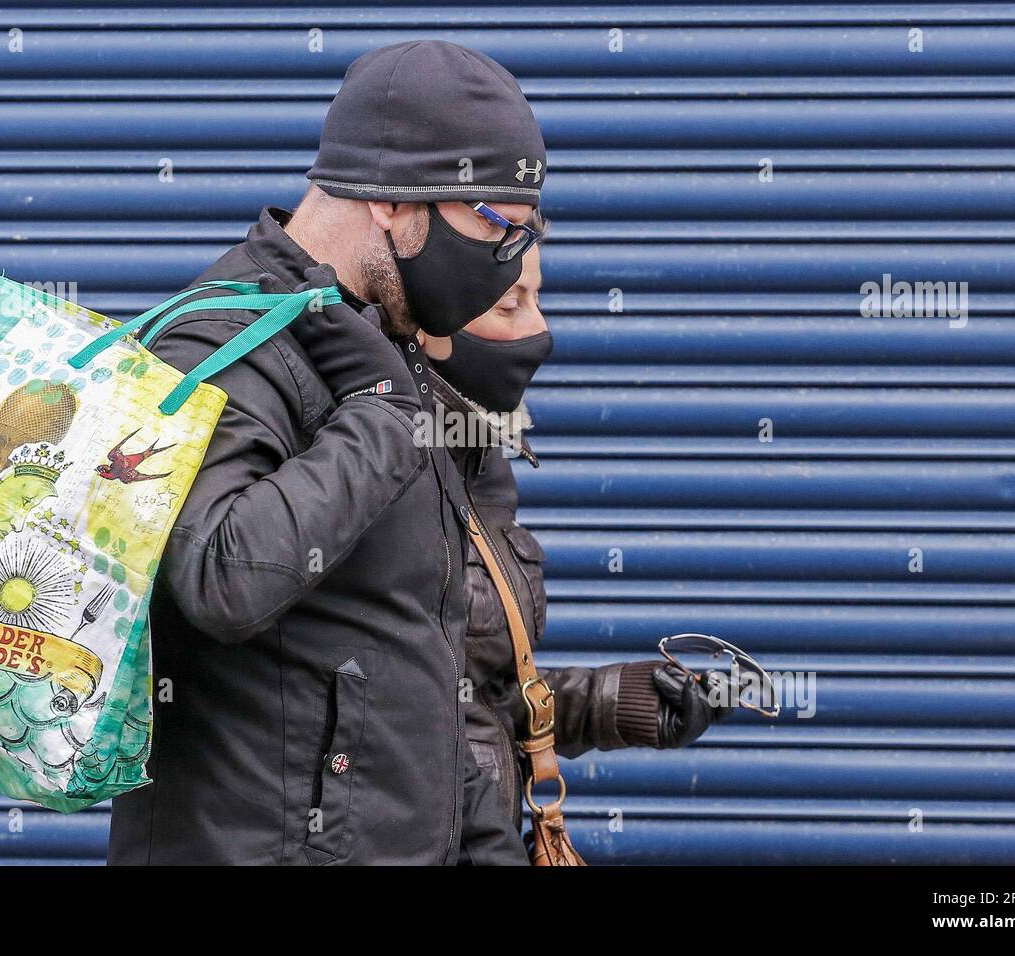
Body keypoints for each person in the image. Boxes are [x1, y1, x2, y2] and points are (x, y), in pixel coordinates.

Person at [108, 40, 547, 865]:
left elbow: (425, 650)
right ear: (391, 200)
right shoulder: (217, 345)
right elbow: (220, 580)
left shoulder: (385, 341)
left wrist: (486, 846)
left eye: (527, 234)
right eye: (496, 227)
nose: (508, 262)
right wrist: (380, 415)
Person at [422, 215, 731, 833]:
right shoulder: (372, 462)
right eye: (513, 306)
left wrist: (615, 702)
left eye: (538, 301)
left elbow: (474, 699)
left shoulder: (476, 459)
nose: (540, 330)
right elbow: (372, 731)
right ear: (431, 323)